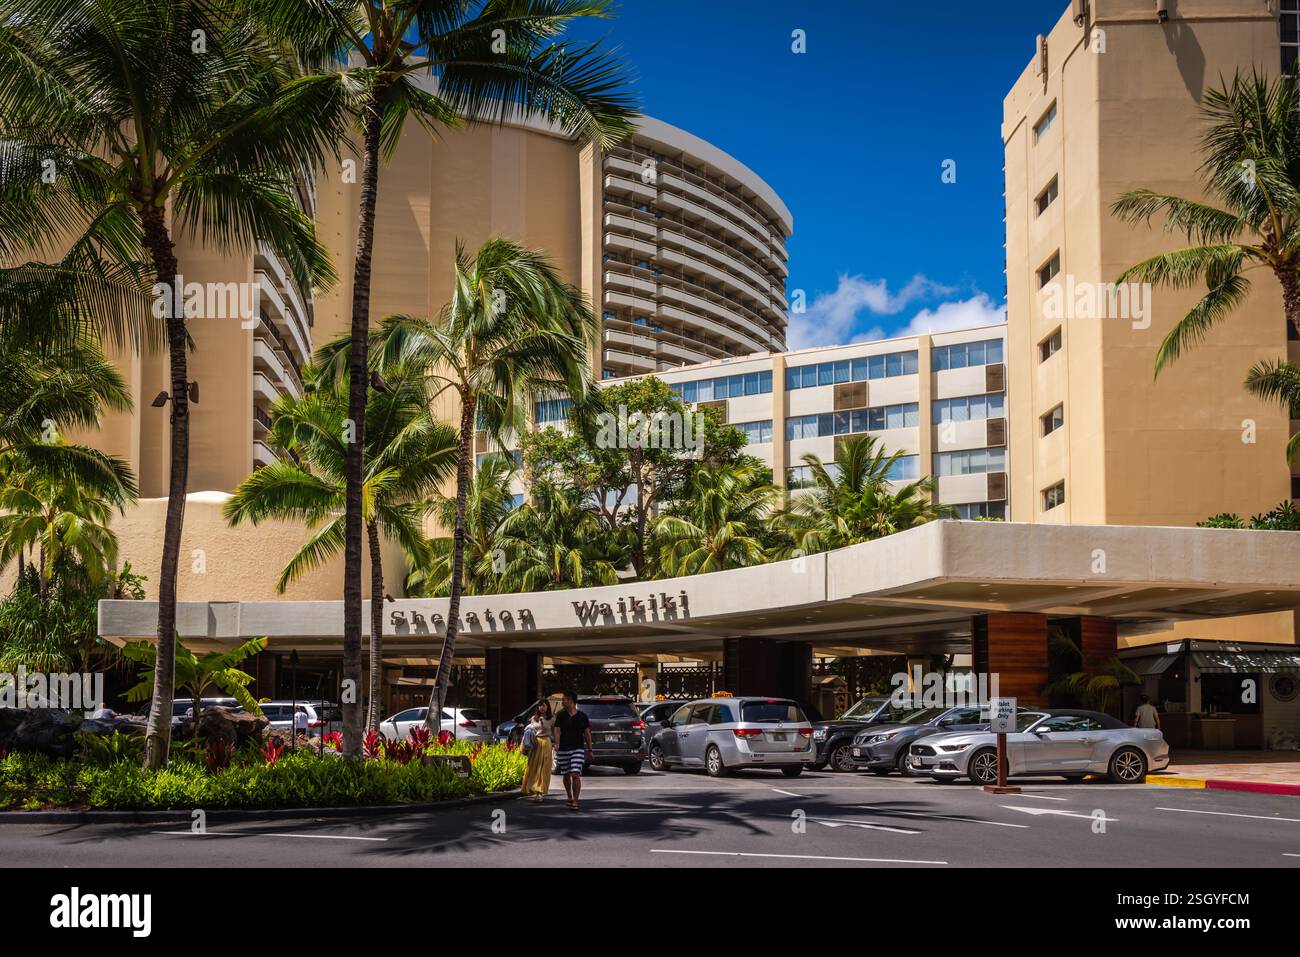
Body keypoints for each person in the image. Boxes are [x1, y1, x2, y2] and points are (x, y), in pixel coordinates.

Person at [552, 689, 594, 811]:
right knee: (566, 774)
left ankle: (575, 800)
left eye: (563, 699)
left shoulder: (582, 716)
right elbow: (557, 730)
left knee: (575, 774)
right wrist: (557, 743)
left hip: (578, 749)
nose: (562, 701)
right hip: (564, 748)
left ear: (570, 700)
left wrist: (590, 750)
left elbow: (587, 733)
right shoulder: (560, 715)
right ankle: (569, 796)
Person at [520, 700, 555, 803]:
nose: (542, 708)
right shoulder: (533, 719)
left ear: (547, 707)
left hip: (546, 742)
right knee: (533, 766)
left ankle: (540, 792)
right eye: (540, 706)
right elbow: (528, 732)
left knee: (543, 768)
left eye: (544, 706)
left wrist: (557, 743)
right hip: (535, 743)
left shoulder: (552, 719)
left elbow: (555, 732)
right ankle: (532, 789)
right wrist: (523, 744)